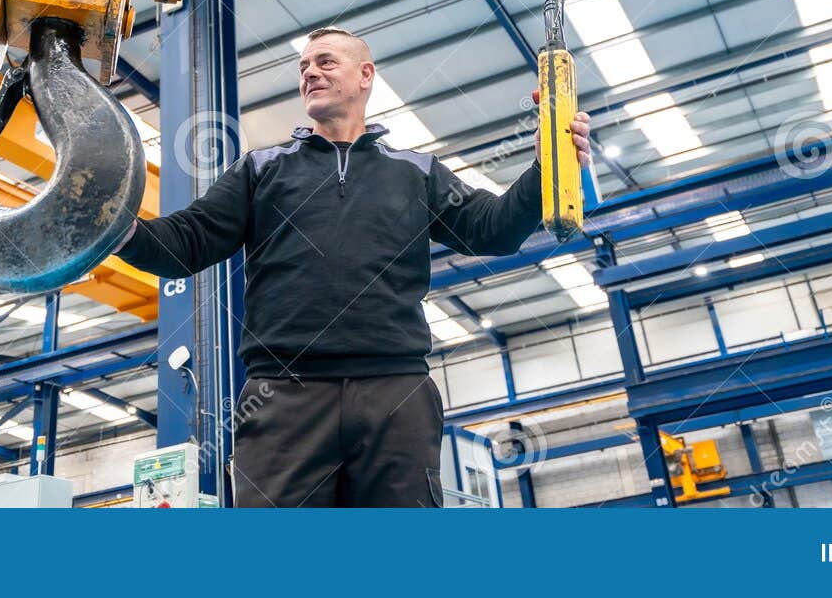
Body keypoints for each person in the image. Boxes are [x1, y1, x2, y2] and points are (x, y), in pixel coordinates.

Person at [115, 26, 591, 507]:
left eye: (324, 62)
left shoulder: (416, 171)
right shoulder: (261, 170)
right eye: (303, 68)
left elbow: (496, 229)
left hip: (395, 395)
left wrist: (545, 166)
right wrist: (115, 228)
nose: (310, 73)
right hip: (283, 398)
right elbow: (185, 243)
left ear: (366, 75)